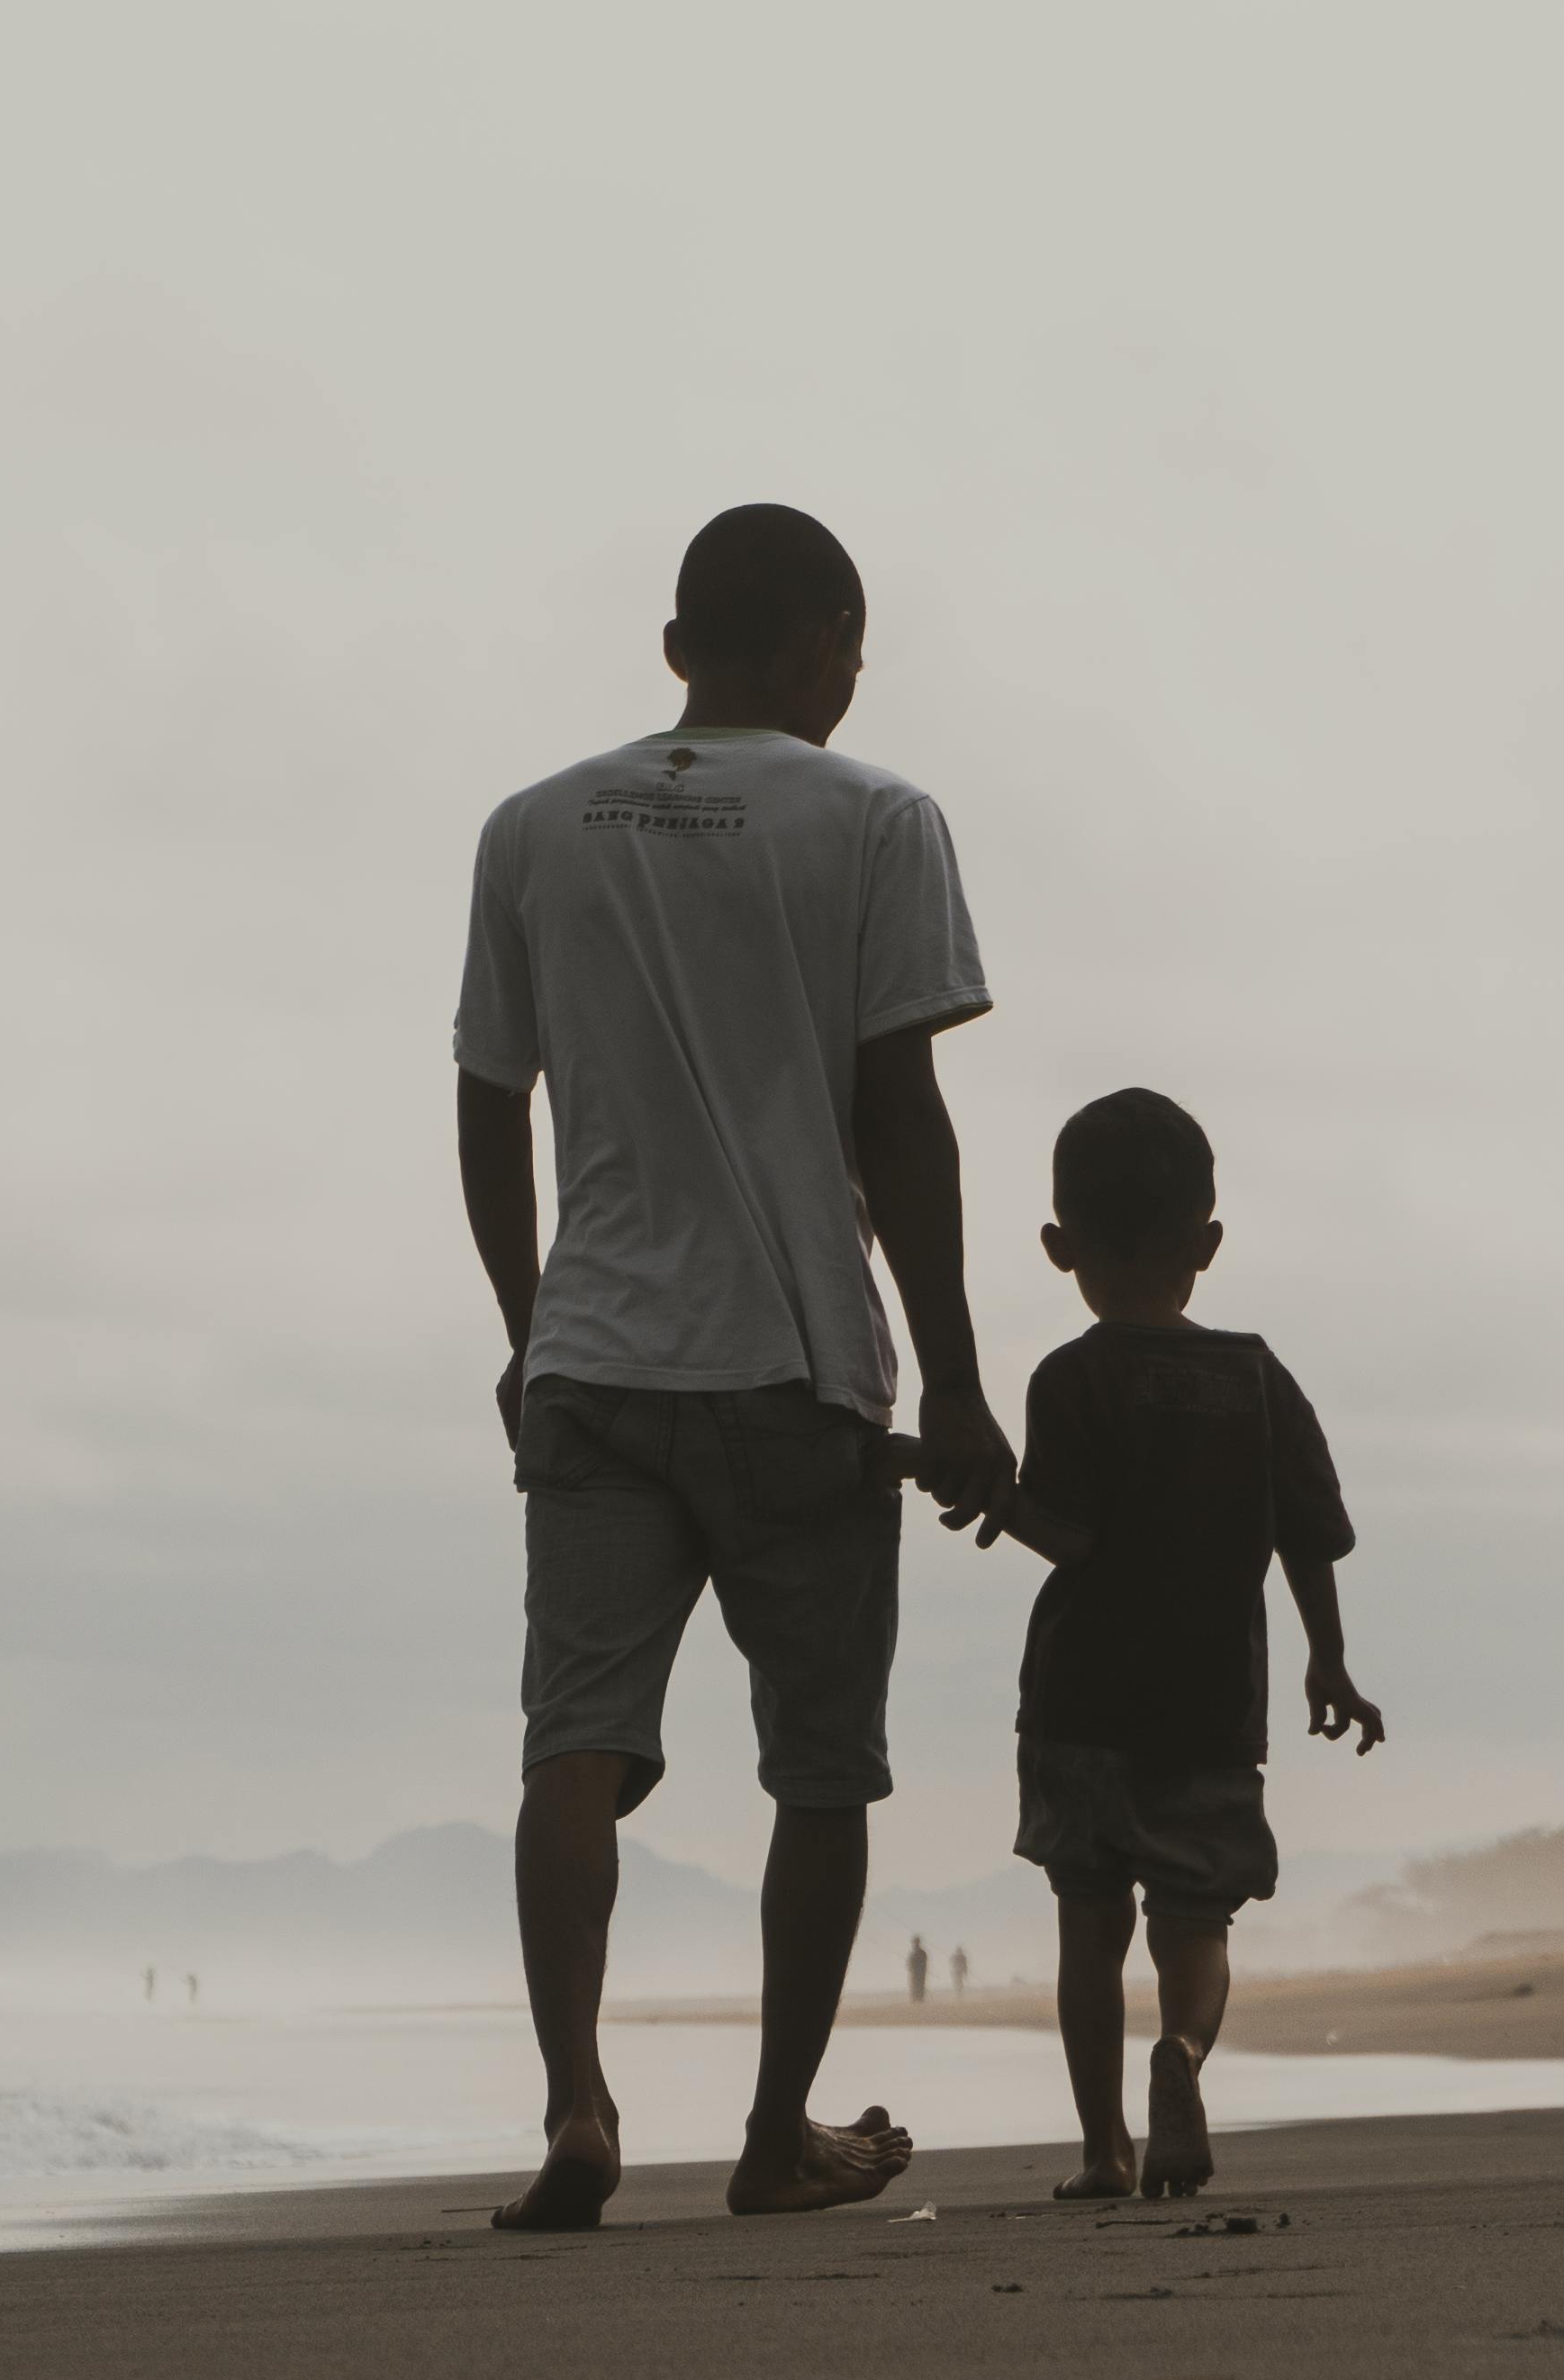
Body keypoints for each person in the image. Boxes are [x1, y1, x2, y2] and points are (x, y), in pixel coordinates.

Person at [452, 503, 1015, 2228]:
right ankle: (777, 2138)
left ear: (681, 636)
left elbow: (491, 1095)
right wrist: (964, 1382)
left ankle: (577, 2107)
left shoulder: (534, 823)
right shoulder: (877, 819)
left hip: (599, 1366)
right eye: (854, 647)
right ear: (818, 639)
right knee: (821, 1767)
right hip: (798, 1374)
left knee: (575, 1749)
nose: (857, 677)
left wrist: (523, 1324)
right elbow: (899, 1120)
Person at [982, 1089, 1376, 2200]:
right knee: (1196, 1919)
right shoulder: (1256, 1376)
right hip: (1209, 1706)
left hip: (1082, 1708)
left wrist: (988, 1493)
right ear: (1206, 1242)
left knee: (1089, 1924)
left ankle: (1104, 2150)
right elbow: (1313, 1536)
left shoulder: (1071, 1378)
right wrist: (1328, 1659)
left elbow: (1067, 1535)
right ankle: (1184, 2054)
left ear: (1060, 1248)